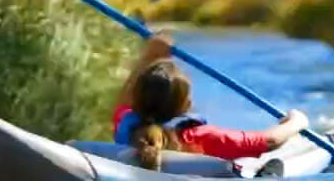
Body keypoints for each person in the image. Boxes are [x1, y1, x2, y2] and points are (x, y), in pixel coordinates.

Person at [112, 32, 310, 171]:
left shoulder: (126, 127)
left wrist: (149, 56)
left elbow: (124, 101)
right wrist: (297, 121)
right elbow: (270, 141)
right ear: (186, 106)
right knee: (272, 167)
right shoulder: (202, 138)